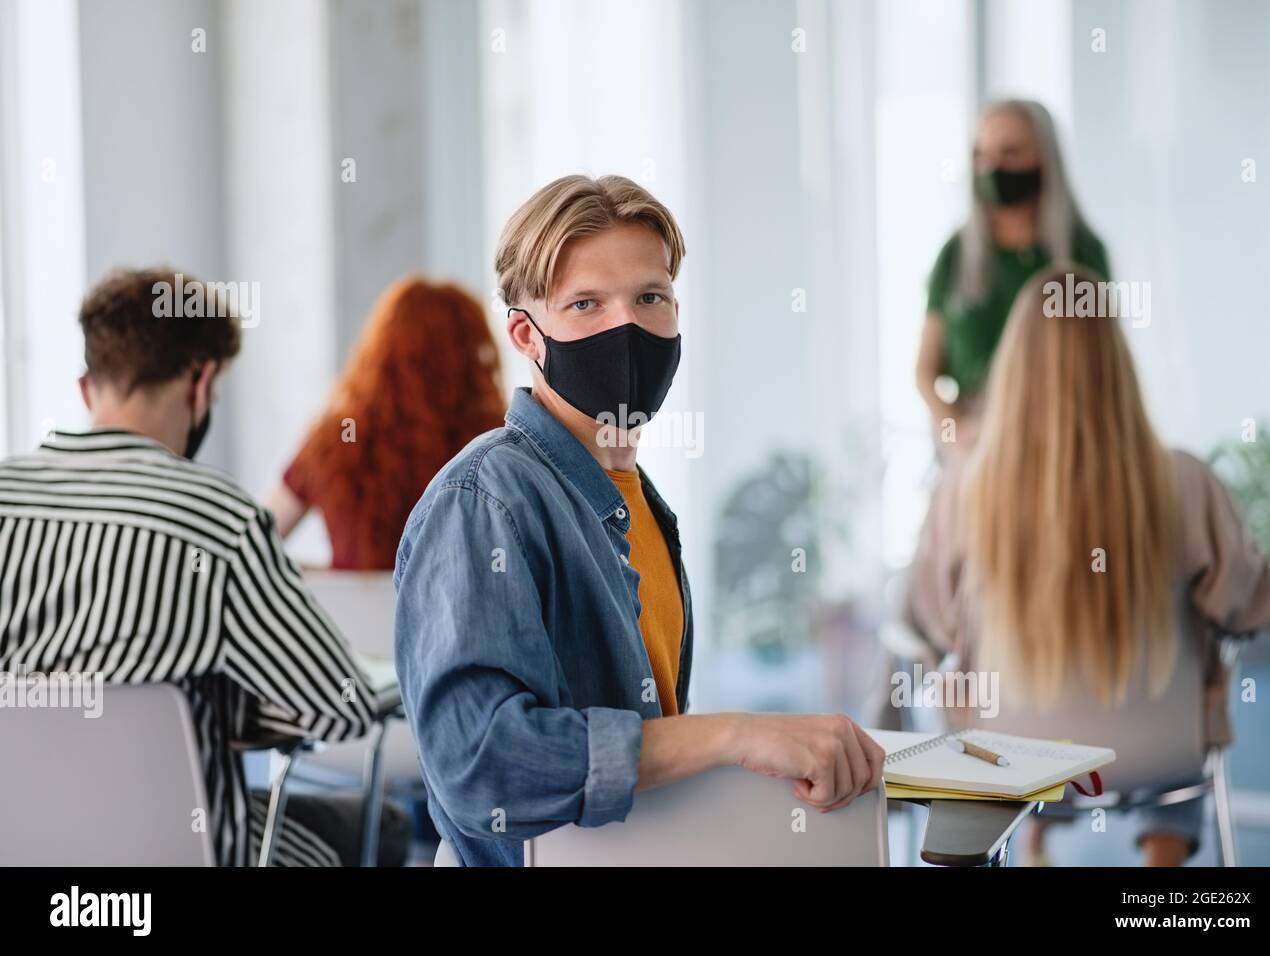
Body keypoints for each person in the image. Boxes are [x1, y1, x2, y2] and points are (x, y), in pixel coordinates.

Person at [394, 174, 886, 866]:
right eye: (586, 304)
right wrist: (735, 735)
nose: (626, 328)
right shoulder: (483, 501)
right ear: (526, 334)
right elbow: (482, 768)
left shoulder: (638, 500)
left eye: (650, 298)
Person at [0, 267, 409, 866]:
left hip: (24, 847)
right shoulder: (219, 521)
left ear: (88, 389)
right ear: (201, 381)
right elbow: (337, 708)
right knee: (387, 828)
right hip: (187, 850)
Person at [906, 266, 1270, 866]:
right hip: (1161, 752)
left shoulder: (964, 492)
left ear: (1013, 372)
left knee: (976, 690)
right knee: (1197, 655)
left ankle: (1028, 835)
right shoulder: (1185, 482)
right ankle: (1162, 856)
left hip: (1011, 758)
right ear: (1118, 366)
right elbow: (1256, 604)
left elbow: (926, 620)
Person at [268, 277, 505, 568]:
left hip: (350, 600)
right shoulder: (494, 444)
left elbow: (256, 541)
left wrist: (331, 577)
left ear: (379, 352)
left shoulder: (336, 440)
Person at [916, 99, 1110, 452]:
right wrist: (957, 430)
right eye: (981, 155)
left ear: (1044, 157)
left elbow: (1101, 363)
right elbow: (925, 372)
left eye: (1011, 152)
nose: (993, 167)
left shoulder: (1081, 255)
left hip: (1062, 435)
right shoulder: (956, 255)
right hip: (976, 440)